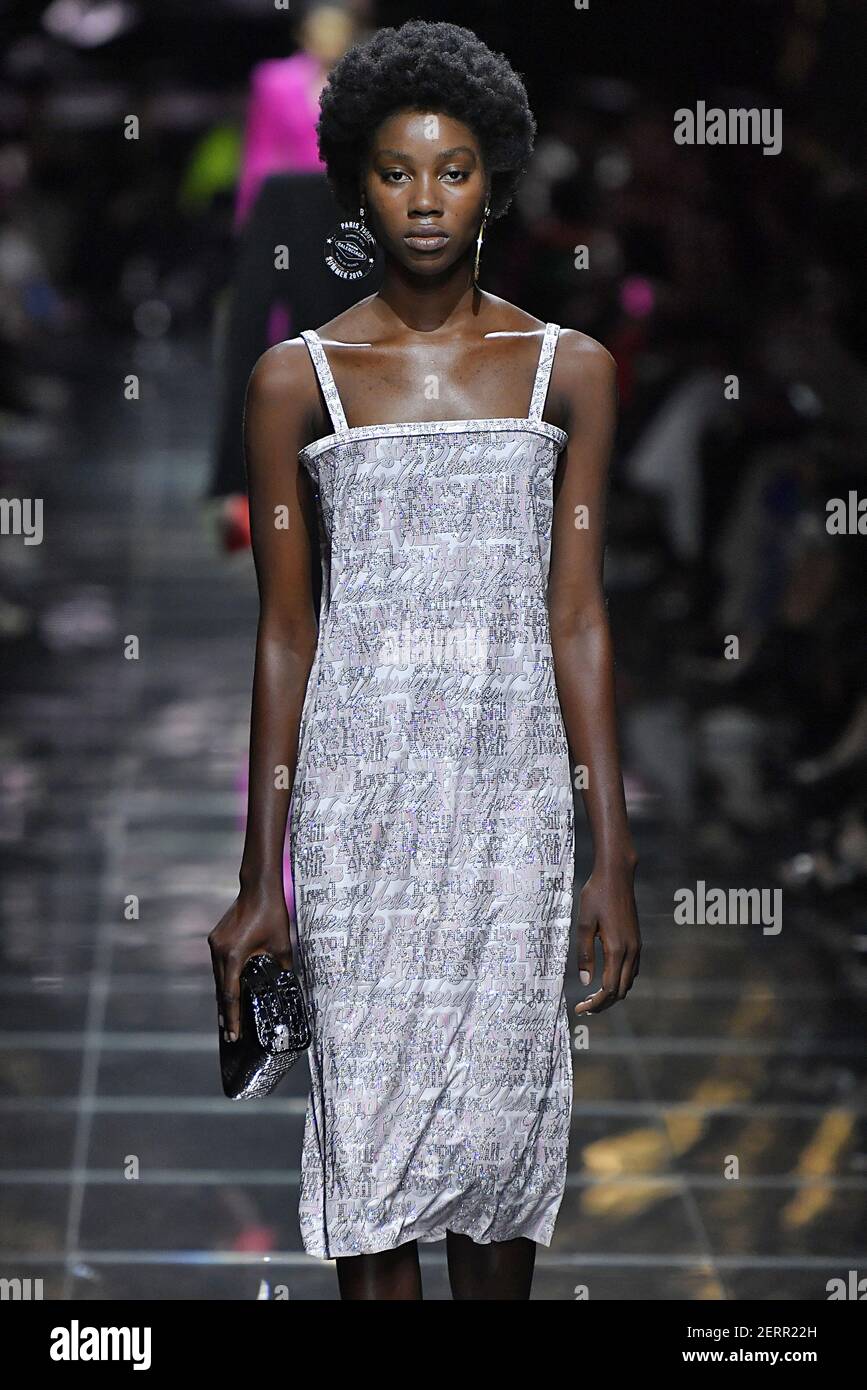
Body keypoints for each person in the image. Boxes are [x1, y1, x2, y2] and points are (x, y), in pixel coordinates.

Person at [209, 19, 641, 1301]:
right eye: (398, 172)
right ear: (356, 182)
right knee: (374, 1167)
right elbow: (286, 631)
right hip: (359, 813)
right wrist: (259, 877)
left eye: (454, 170)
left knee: (501, 1165)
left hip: (511, 814)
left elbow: (581, 619)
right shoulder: (299, 381)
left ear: (495, 181)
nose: (427, 199)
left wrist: (610, 851)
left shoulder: (574, 374)